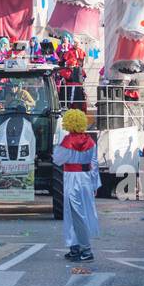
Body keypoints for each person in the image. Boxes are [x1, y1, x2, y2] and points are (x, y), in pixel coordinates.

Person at [54, 109, 100, 263]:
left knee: (74, 214)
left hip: (72, 178)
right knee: (80, 213)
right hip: (86, 179)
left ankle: (85, 249)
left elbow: (57, 159)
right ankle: (76, 248)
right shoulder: (91, 141)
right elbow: (94, 164)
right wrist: (95, 184)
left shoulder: (68, 141)